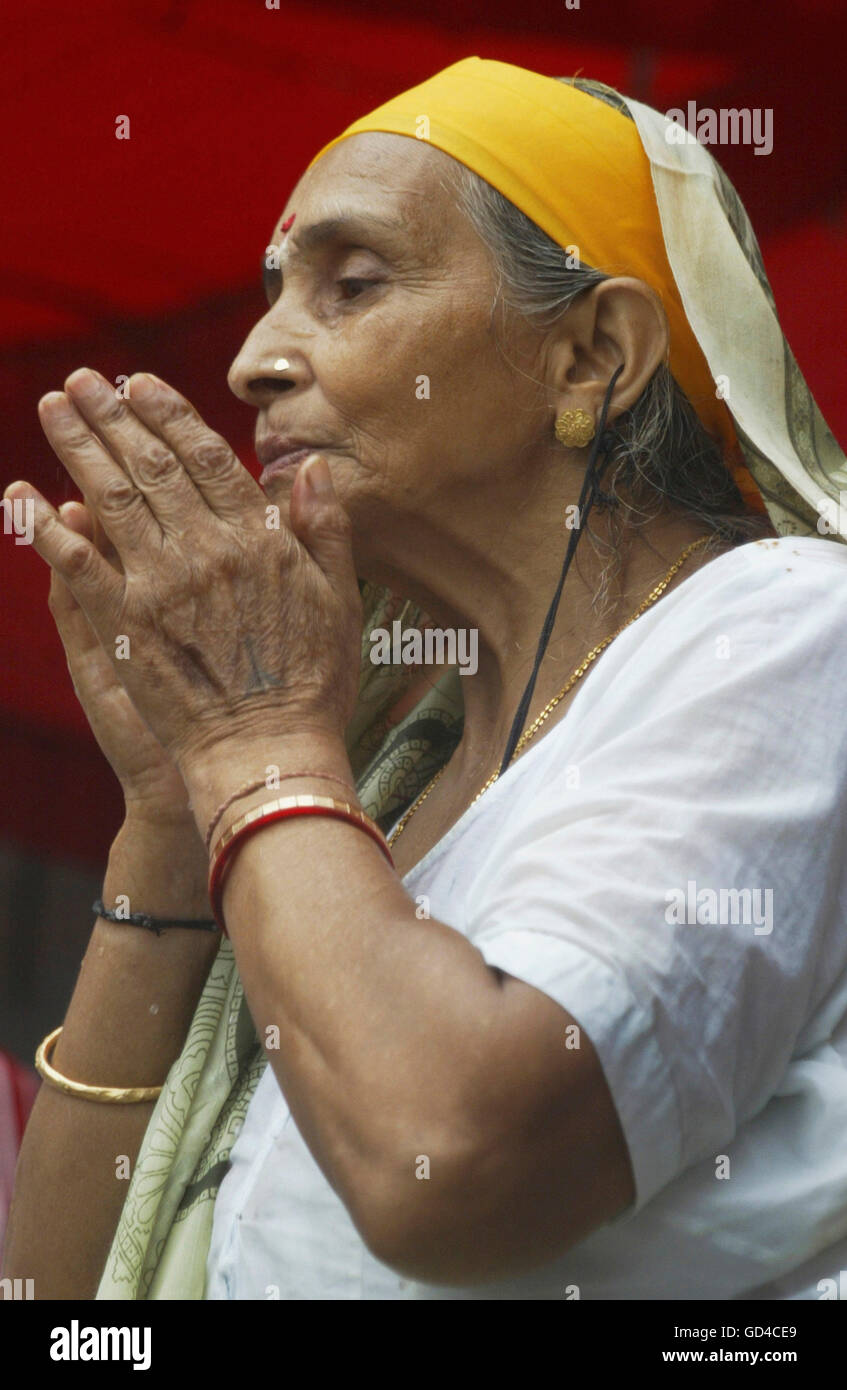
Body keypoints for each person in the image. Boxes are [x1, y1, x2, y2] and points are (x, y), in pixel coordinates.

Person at [4, 57, 847, 1301]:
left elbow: (445, 1162)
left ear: (589, 360)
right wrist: (178, 824)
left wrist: (254, 746)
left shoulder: (782, 629)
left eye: (351, 285)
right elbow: (60, 1318)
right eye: (270, 294)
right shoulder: (374, 793)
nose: (251, 362)